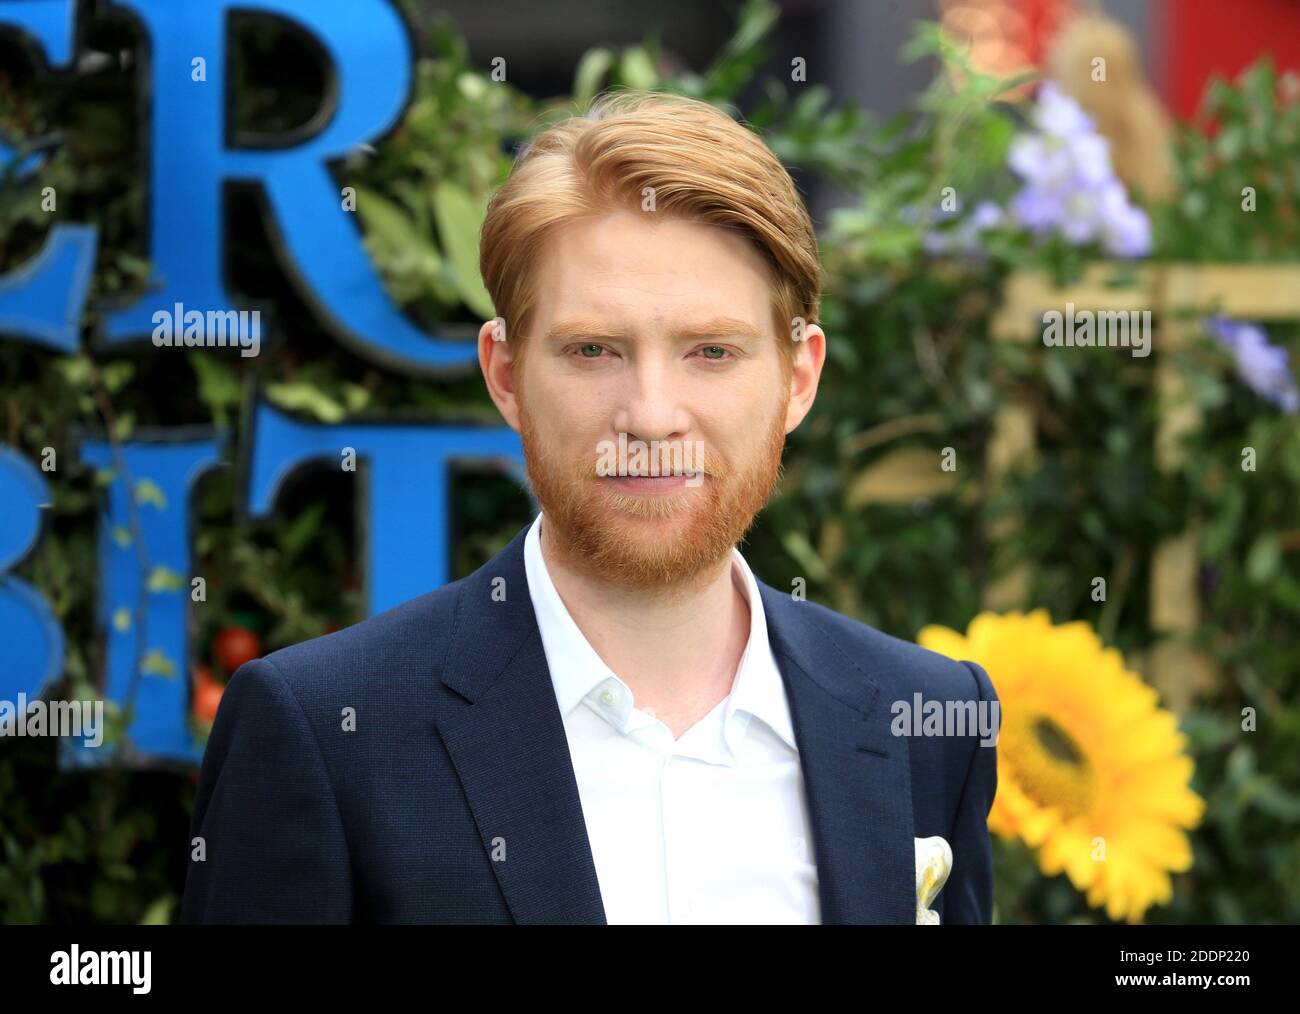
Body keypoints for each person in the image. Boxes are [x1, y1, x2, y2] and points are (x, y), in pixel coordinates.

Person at [181, 89, 999, 925]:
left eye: (711, 352)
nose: (650, 414)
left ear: (798, 378)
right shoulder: (324, 732)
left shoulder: (927, 720)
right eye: (593, 350)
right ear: (506, 374)